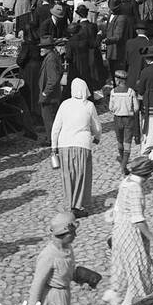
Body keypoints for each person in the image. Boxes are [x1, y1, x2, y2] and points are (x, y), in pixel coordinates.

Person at [102, 155, 153, 305]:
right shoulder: (135, 188)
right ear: (147, 174)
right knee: (138, 268)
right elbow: (138, 219)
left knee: (129, 268)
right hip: (130, 233)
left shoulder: (126, 181)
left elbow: (118, 208)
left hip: (120, 229)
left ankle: (123, 300)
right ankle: (127, 304)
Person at [51, 77, 100, 216]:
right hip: (82, 145)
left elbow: (56, 127)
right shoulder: (89, 106)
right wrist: (97, 138)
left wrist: (53, 147)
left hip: (64, 145)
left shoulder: (64, 104)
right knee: (80, 175)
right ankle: (77, 206)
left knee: (67, 175)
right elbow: (96, 126)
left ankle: (69, 204)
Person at [107, 70, 140, 175]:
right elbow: (136, 108)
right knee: (127, 143)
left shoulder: (113, 92)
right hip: (128, 120)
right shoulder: (131, 92)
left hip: (117, 119)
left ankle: (122, 160)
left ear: (118, 80)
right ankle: (124, 165)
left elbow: (110, 108)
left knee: (120, 141)